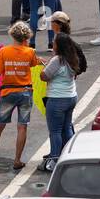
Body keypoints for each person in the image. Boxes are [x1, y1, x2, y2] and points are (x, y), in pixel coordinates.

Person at [0, 21, 42, 171]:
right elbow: (34, 63)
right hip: (25, 92)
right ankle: (17, 160)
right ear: (26, 37)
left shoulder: (4, 51)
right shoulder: (30, 52)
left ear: (12, 35)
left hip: (8, 92)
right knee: (22, 127)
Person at [40, 33, 82, 170]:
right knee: (67, 127)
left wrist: (43, 67)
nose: (53, 44)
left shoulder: (57, 60)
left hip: (57, 99)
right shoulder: (72, 58)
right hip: (71, 97)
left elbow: (44, 76)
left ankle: (54, 159)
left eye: (54, 43)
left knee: (55, 131)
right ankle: (70, 155)